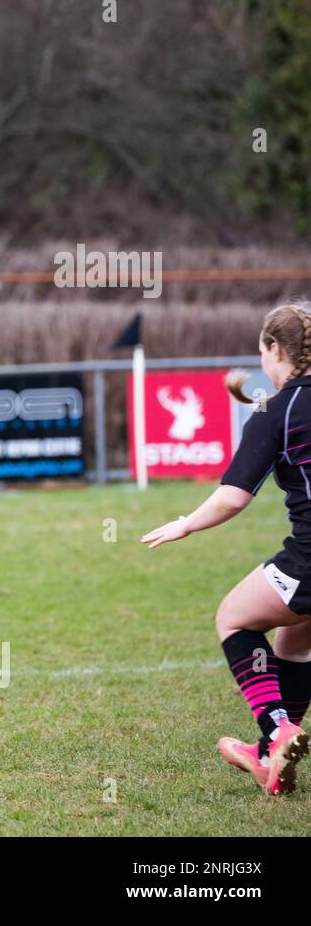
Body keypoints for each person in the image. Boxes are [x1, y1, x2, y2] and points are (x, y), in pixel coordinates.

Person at [142, 302, 311, 794]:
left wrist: (185, 524)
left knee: (233, 619)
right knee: (294, 639)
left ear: (275, 349)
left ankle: (279, 729)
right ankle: (270, 759)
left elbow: (233, 497)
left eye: (262, 349)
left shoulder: (276, 412)